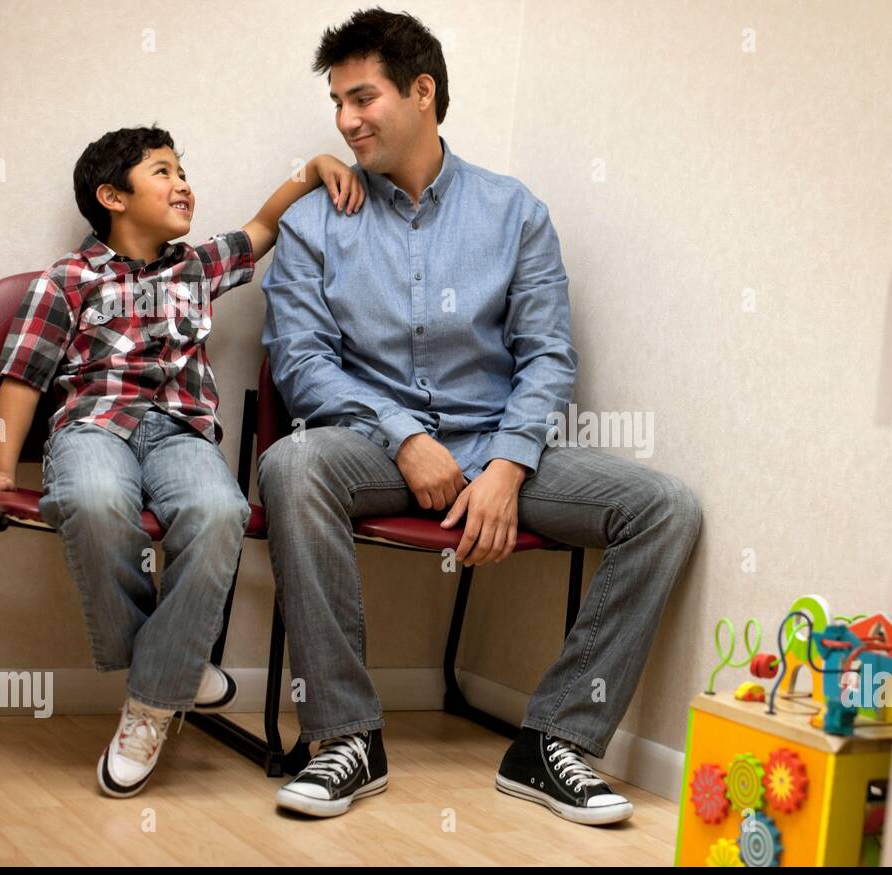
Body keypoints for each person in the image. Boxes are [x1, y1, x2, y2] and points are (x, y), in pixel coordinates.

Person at [261, 8, 702, 825]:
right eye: (337, 104)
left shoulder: (514, 212)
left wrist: (507, 464)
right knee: (290, 465)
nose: (346, 120)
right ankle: (346, 739)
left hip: (496, 448)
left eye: (363, 98)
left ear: (422, 91)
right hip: (368, 451)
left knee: (664, 509)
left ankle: (552, 743)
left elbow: (547, 357)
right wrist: (404, 437)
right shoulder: (314, 222)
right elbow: (302, 364)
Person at [0, 125, 363, 798]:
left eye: (183, 170)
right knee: (89, 499)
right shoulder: (67, 278)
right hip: (93, 428)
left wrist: (314, 168)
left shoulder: (198, 266)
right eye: (163, 172)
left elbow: (264, 224)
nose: (182, 183)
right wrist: (1, 463)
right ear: (112, 197)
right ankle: (178, 667)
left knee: (219, 508)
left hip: (181, 434)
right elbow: (22, 378)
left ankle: (150, 703)